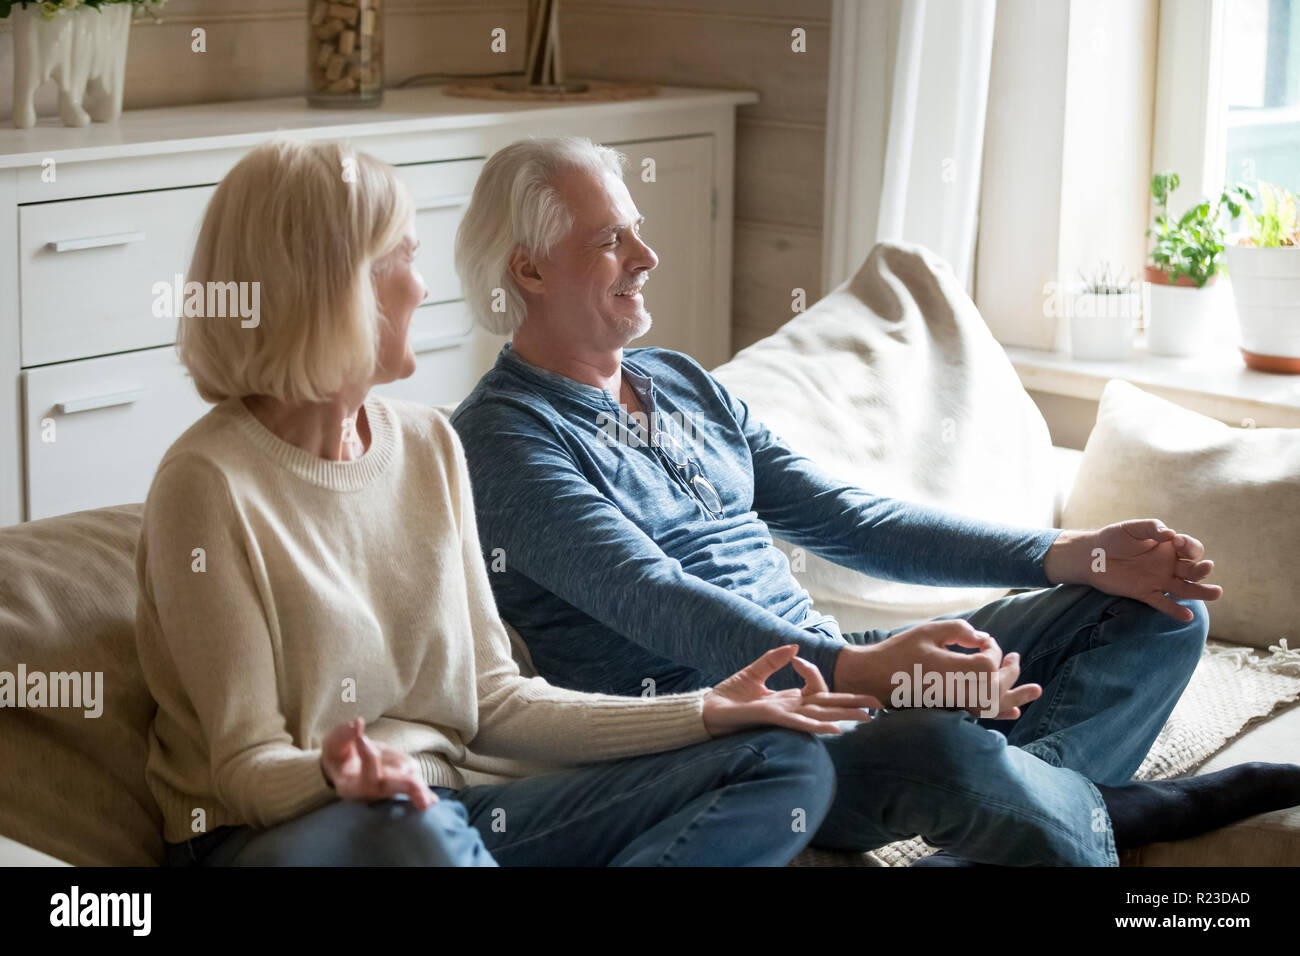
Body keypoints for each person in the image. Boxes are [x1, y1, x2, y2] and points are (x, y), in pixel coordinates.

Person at [449, 135, 1300, 866]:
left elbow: (853, 519)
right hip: (734, 729)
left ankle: (1032, 812)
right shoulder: (503, 441)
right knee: (938, 744)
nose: (647, 255)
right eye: (612, 239)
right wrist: (864, 675)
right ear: (528, 268)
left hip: (835, 662)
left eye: (638, 229)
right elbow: (656, 599)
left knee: (1157, 611)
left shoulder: (678, 382)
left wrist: (1066, 553)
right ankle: (1101, 808)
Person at [136, 137, 877, 868]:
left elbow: (495, 703)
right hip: (278, 831)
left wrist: (707, 711)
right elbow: (246, 770)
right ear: (332, 284)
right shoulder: (207, 483)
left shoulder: (428, 446)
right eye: (400, 258)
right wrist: (341, 774)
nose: (422, 287)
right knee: (411, 834)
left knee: (782, 759)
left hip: (446, 809)